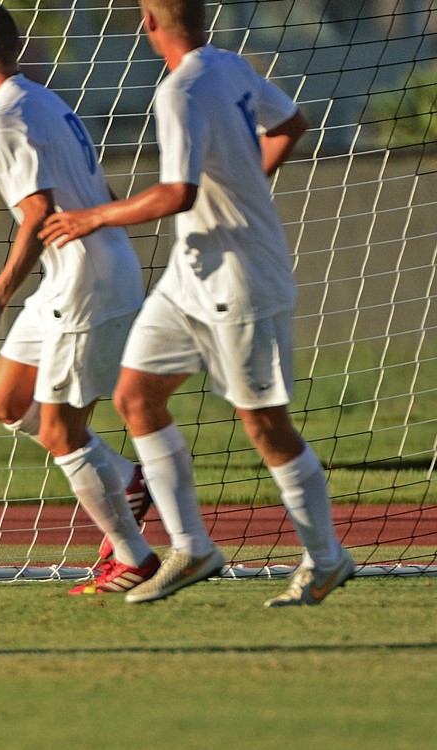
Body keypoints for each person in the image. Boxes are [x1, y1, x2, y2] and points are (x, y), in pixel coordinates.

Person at [40, 0, 353, 605]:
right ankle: (192, 548)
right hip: (190, 276)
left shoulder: (179, 89)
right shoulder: (229, 66)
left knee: (265, 426)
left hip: (241, 277)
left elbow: (178, 192)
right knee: (136, 397)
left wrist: (93, 217)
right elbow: (292, 122)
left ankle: (326, 558)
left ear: (150, 24)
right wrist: (246, 182)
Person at [0, 4, 158, 595]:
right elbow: (99, 189)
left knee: (65, 434)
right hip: (75, 274)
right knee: (8, 402)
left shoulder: (2, 120)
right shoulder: (47, 101)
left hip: (83, 280)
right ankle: (126, 480)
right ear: (13, 50)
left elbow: (39, 212)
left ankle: (134, 557)